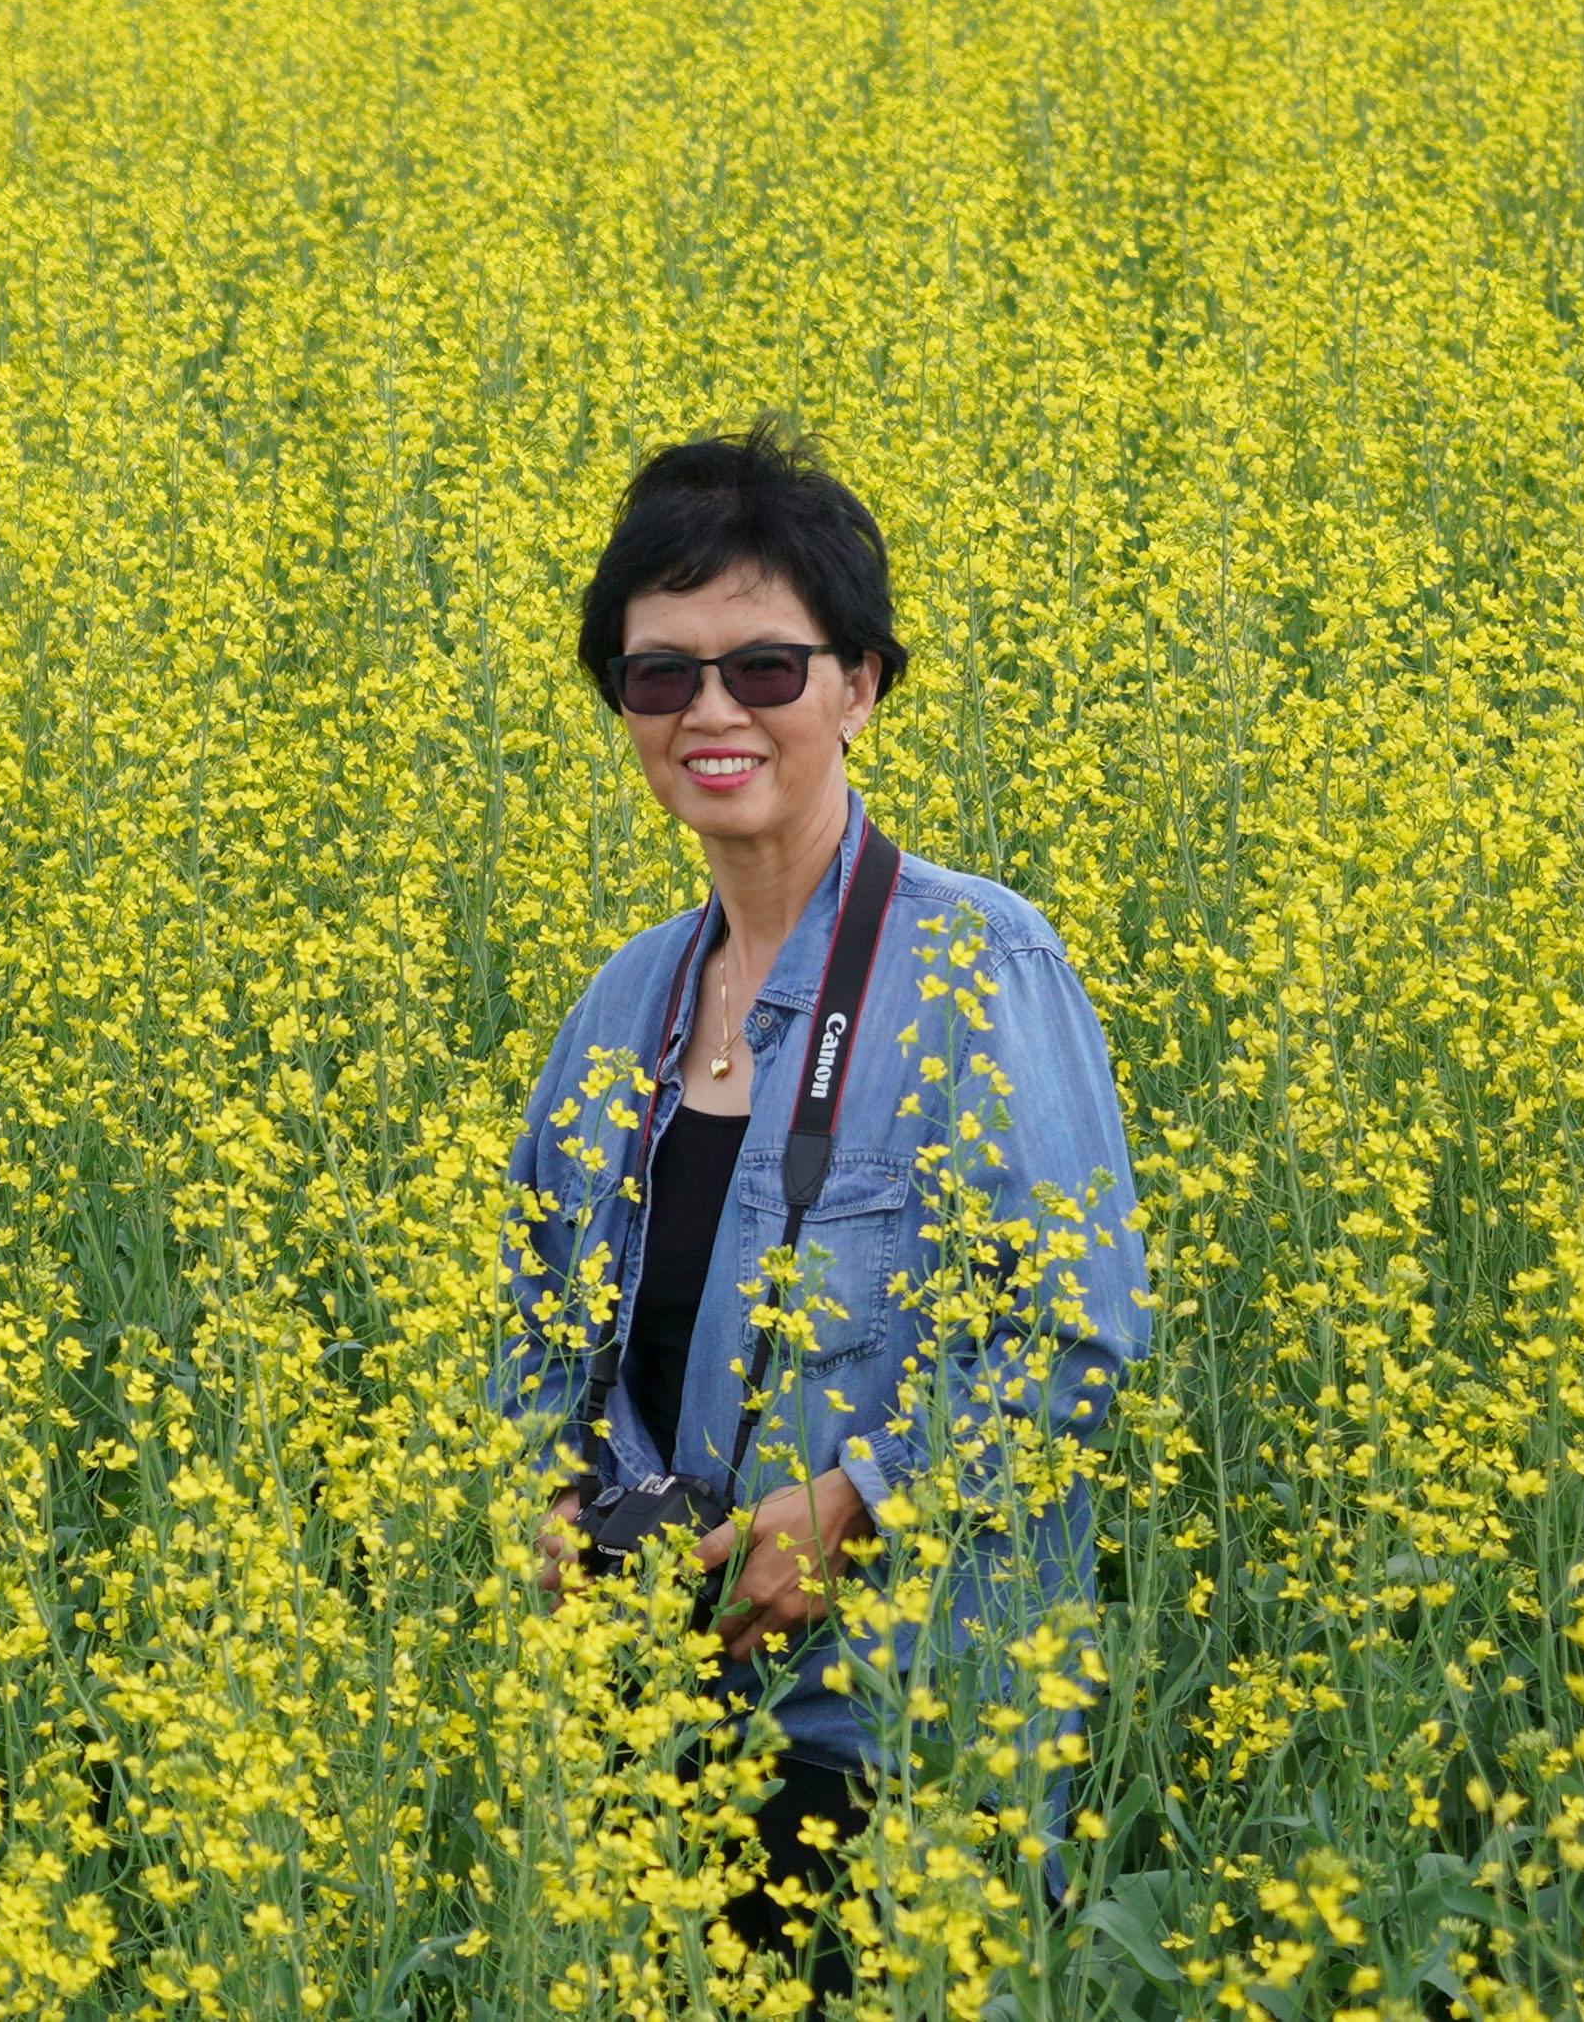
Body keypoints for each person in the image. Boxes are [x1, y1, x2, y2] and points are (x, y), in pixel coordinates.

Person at [489, 416, 1151, 2000]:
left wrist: (856, 1494)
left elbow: (1076, 1335)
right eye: (660, 676)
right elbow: (534, 1319)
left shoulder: (977, 968)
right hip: (651, 1721)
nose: (711, 712)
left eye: (765, 669)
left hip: (903, 1740)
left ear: (861, 685)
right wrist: (549, 1499)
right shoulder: (621, 1004)